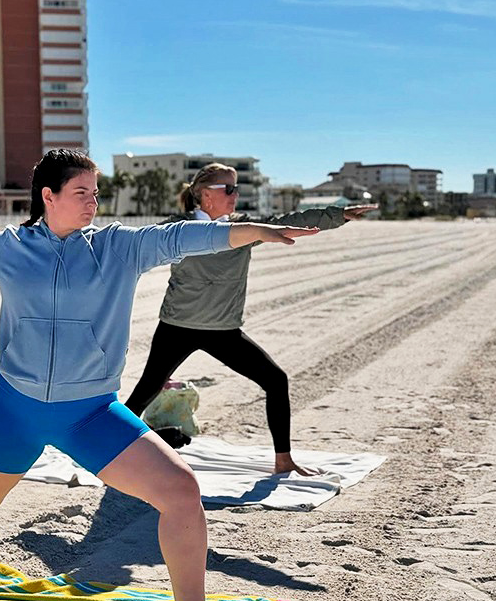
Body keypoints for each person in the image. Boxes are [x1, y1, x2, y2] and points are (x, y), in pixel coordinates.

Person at [0, 149, 321, 601]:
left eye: (96, 193)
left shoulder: (117, 248)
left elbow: (183, 236)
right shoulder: (10, 248)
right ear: (49, 196)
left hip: (90, 414)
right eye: (81, 192)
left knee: (180, 489)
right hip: (12, 408)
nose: (92, 203)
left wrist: (254, 230)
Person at [125, 163, 376, 476]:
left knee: (276, 380)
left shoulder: (243, 228)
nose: (235, 194)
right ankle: (108, 453)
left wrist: (339, 215)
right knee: (144, 391)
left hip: (223, 330)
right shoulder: (178, 228)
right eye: (228, 188)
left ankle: (283, 460)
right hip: (177, 327)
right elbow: (131, 244)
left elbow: (287, 222)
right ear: (205, 195)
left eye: (237, 188)